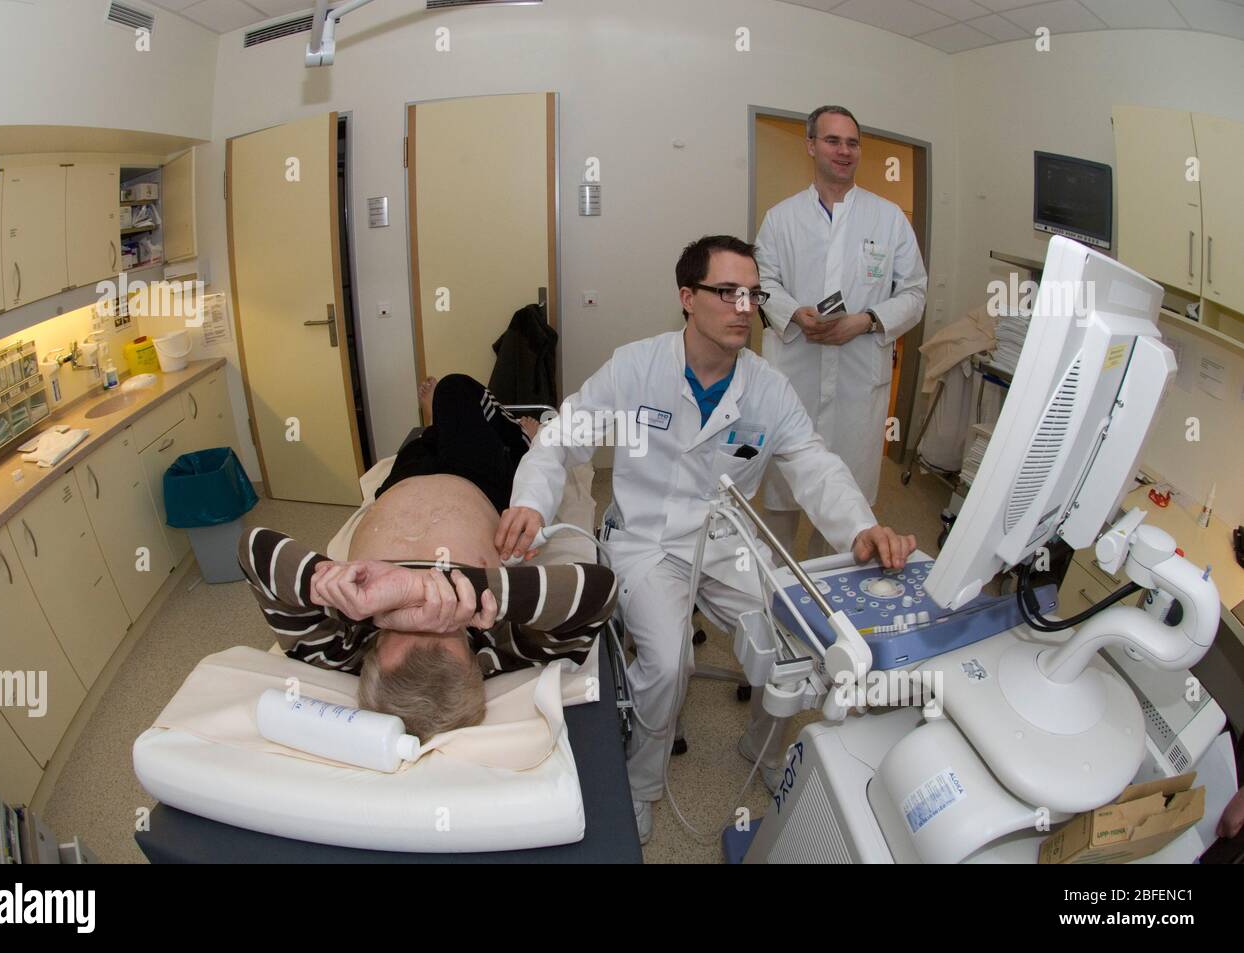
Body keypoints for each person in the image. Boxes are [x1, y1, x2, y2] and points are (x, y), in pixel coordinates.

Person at [496, 235, 916, 843]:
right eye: (728, 292)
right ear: (688, 298)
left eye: (753, 294)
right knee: (668, 662)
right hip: (646, 539)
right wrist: (530, 504)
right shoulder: (636, 366)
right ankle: (641, 788)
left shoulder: (767, 388)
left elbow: (813, 465)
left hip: (726, 540)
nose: (745, 306)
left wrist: (861, 526)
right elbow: (561, 438)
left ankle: (766, 750)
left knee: (796, 649)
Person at [237, 374, 617, 742]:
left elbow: (254, 547)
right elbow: (598, 591)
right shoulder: (498, 646)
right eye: (444, 621)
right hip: (478, 483)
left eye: (400, 624)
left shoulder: (337, 649)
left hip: (400, 484)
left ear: (368, 656)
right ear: (475, 657)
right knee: (454, 389)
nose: (424, 609)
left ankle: (436, 425)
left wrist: (337, 586)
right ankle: (523, 438)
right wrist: (453, 591)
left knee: (426, 439)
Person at [755, 104, 927, 553]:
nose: (844, 150)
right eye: (833, 140)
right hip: (796, 372)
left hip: (856, 379)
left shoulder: (889, 219)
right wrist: (795, 313)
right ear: (811, 145)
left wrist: (866, 321)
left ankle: (823, 606)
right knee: (780, 501)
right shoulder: (781, 218)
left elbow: (914, 293)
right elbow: (762, 284)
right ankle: (769, 597)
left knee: (845, 512)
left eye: (853, 143)